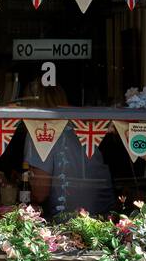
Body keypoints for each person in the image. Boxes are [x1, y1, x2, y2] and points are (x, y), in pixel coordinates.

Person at [19, 80, 116, 217]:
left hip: (70, 221)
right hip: (105, 214)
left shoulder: (39, 130)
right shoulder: (83, 125)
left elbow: (40, 193)